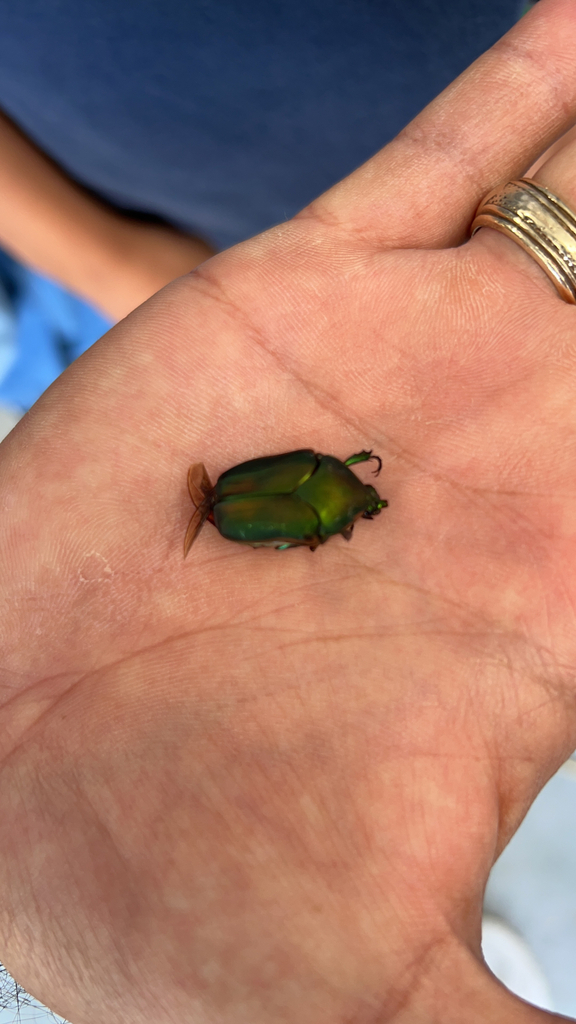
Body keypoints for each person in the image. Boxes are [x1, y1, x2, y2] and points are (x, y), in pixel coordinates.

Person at [1, 0, 576, 1021]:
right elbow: (308, 489)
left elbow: (310, 482)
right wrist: (102, 258)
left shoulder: (321, 481)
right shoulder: (321, 494)